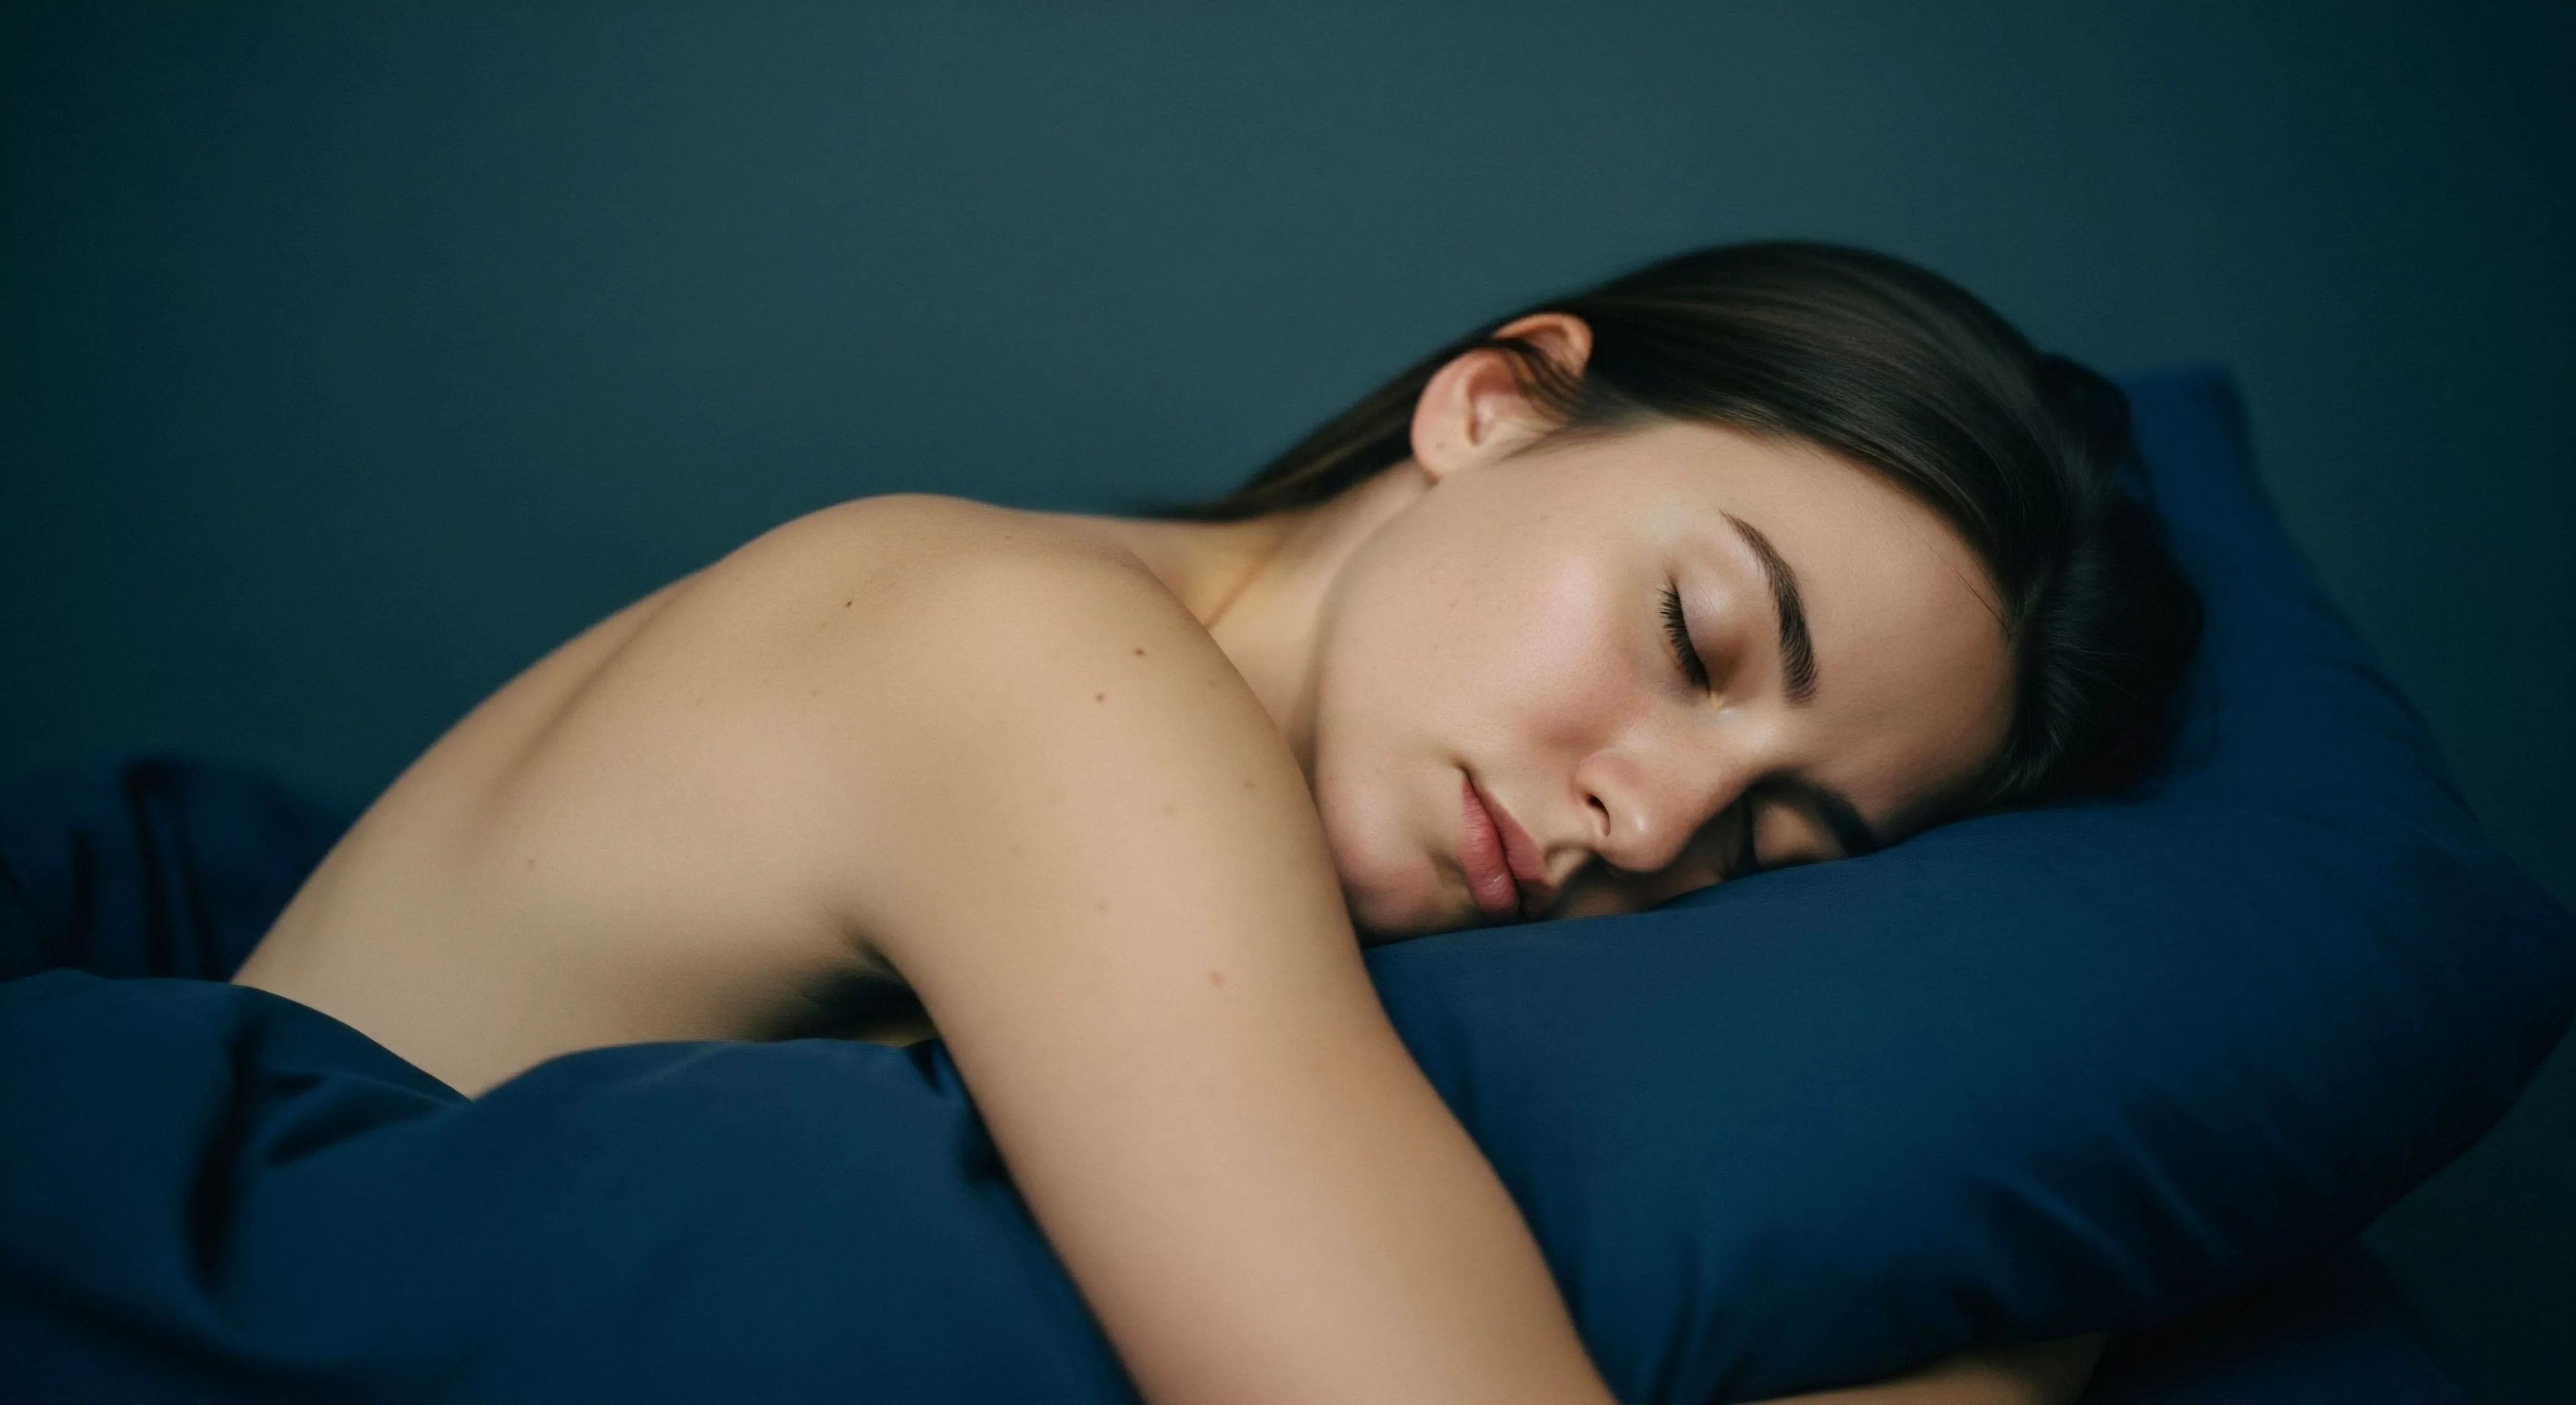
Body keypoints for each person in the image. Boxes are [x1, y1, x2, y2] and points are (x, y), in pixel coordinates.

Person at [231, 241, 2202, 1404]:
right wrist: (2029, 1335)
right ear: (1497, 406)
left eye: (1778, 841)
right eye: (1696, 635)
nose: (1654, 817)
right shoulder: (1037, 668)